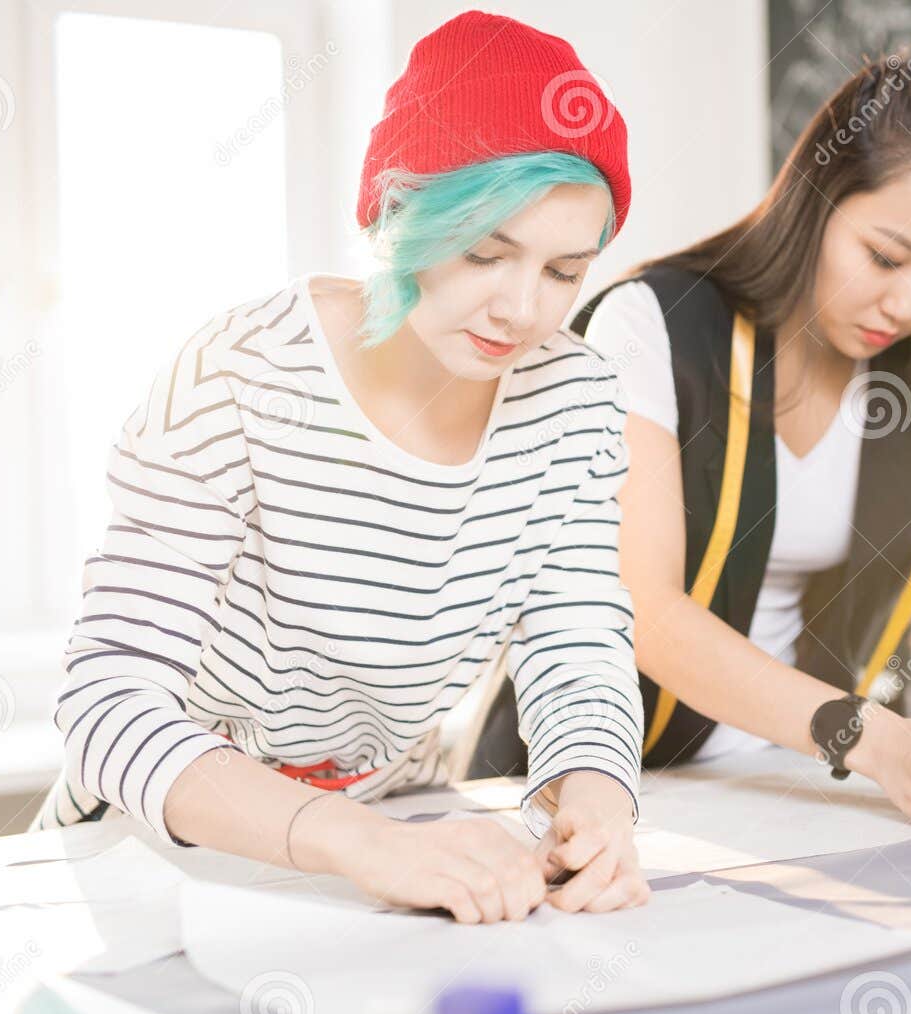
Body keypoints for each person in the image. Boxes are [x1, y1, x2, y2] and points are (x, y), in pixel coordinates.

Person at [33, 11, 648, 920]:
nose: (520, 308)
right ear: (398, 213)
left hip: (380, 859)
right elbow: (107, 704)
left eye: (564, 271)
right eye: (485, 251)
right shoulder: (237, 375)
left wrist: (596, 802)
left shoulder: (576, 398)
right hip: (153, 856)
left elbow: (578, 642)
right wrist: (355, 841)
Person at [477, 34, 911, 829]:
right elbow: (642, 609)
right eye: (886, 256)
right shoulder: (653, 323)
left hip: (782, 790)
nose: (909, 302)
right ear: (816, 198)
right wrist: (867, 734)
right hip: (598, 788)